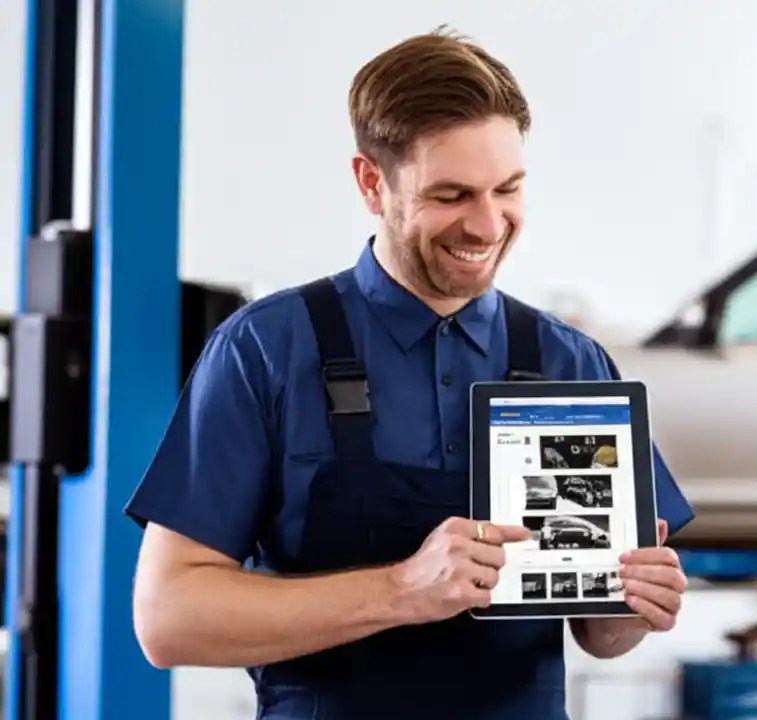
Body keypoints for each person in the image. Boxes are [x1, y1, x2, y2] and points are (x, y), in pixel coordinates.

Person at [124, 29, 695, 720]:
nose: (488, 225)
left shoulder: (570, 362)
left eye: (508, 189)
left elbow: (601, 634)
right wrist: (403, 590)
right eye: (452, 195)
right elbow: (168, 617)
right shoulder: (265, 351)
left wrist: (635, 607)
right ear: (372, 182)